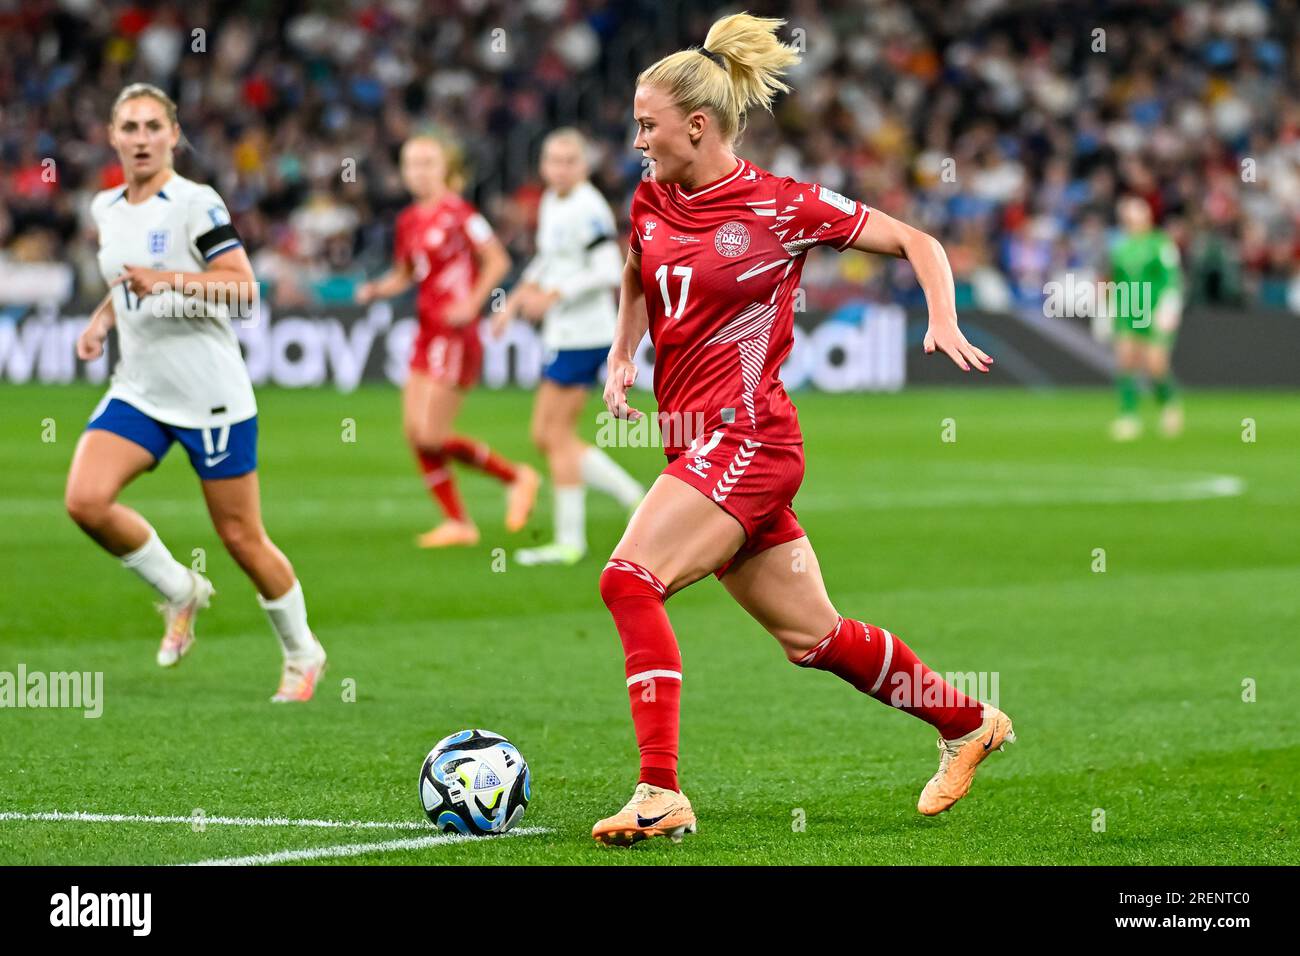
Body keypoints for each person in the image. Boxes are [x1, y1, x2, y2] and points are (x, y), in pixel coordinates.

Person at [591, 14, 1014, 846]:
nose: (638, 139)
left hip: (749, 440)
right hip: (696, 442)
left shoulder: (781, 206)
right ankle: (968, 723)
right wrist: (622, 353)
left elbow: (915, 240)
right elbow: (639, 269)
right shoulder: (650, 198)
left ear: (698, 125)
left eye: (648, 124)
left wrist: (941, 317)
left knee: (628, 580)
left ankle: (659, 791)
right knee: (812, 637)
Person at [67, 83, 326, 702]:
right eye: (129, 127)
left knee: (240, 538)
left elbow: (244, 288)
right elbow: (125, 281)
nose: (141, 138)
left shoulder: (196, 205)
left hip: (211, 397)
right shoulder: (106, 208)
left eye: (153, 126)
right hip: (140, 389)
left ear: (173, 135)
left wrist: (171, 280)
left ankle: (302, 651)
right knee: (85, 501)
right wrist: (103, 321)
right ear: (112, 136)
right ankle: (180, 589)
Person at [357, 133, 539, 547]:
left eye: (427, 163)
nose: (419, 172)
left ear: (444, 168)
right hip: (426, 332)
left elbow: (497, 259)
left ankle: (517, 477)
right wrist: (378, 290)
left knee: (432, 435)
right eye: (412, 164)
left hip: (454, 335)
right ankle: (458, 523)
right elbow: (406, 273)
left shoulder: (460, 213)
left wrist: (472, 303)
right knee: (413, 431)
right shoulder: (408, 220)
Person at [495, 128, 644, 566]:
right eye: (553, 160)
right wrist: (517, 300)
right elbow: (549, 259)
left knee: (555, 435)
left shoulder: (588, 207)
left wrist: (552, 296)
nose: (560, 168)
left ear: (583, 166)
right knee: (545, 434)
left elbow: (606, 269)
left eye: (569, 161)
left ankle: (569, 540)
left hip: (586, 334)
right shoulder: (551, 201)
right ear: (543, 165)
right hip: (565, 333)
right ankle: (630, 494)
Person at [1108, 195, 1185, 440]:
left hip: (1154, 310)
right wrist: (1109, 309)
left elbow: (1172, 277)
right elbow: (1116, 281)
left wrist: (1168, 306)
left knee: (1155, 364)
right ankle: (1128, 415)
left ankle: (1169, 405)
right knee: (1126, 361)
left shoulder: (1159, 243)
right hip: (1128, 311)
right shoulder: (1121, 247)